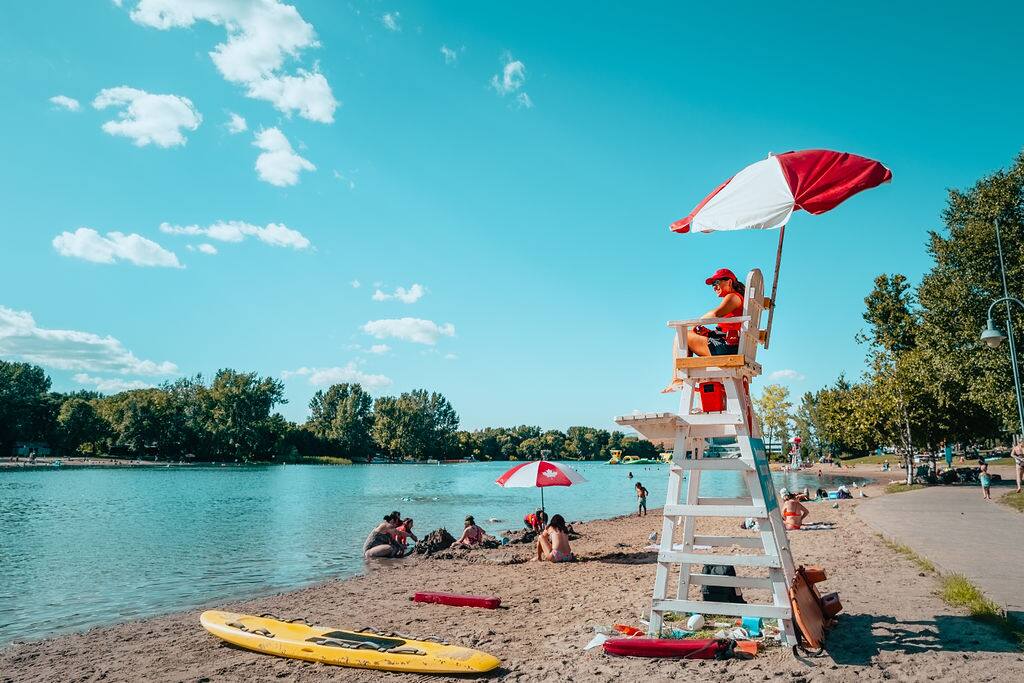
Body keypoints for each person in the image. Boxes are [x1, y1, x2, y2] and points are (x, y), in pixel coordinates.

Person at [686, 268, 745, 357]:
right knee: (689, 334)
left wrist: (697, 322)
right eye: (713, 285)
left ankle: (682, 366)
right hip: (729, 345)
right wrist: (709, 332)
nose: (714, 287)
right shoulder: (737, 298)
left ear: (729, 282)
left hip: (727, 347)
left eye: (716, 282)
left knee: (683, 336)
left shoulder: (733, 297)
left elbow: (716, 314)